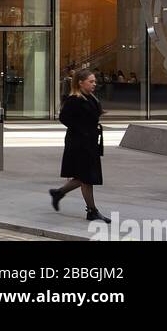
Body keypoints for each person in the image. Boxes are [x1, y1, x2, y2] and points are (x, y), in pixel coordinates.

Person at [49, 68, 107, 223]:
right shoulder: (74, 99)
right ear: (81, 83)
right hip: (79, 143)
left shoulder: (91, 97)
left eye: (94, 81)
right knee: (86, 177)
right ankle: (92, 211)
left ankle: (59, 193)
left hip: (90, 143)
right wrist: (83, 130)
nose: (94, 84)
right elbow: (64, 118)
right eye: (91, 81)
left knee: (85, 177)